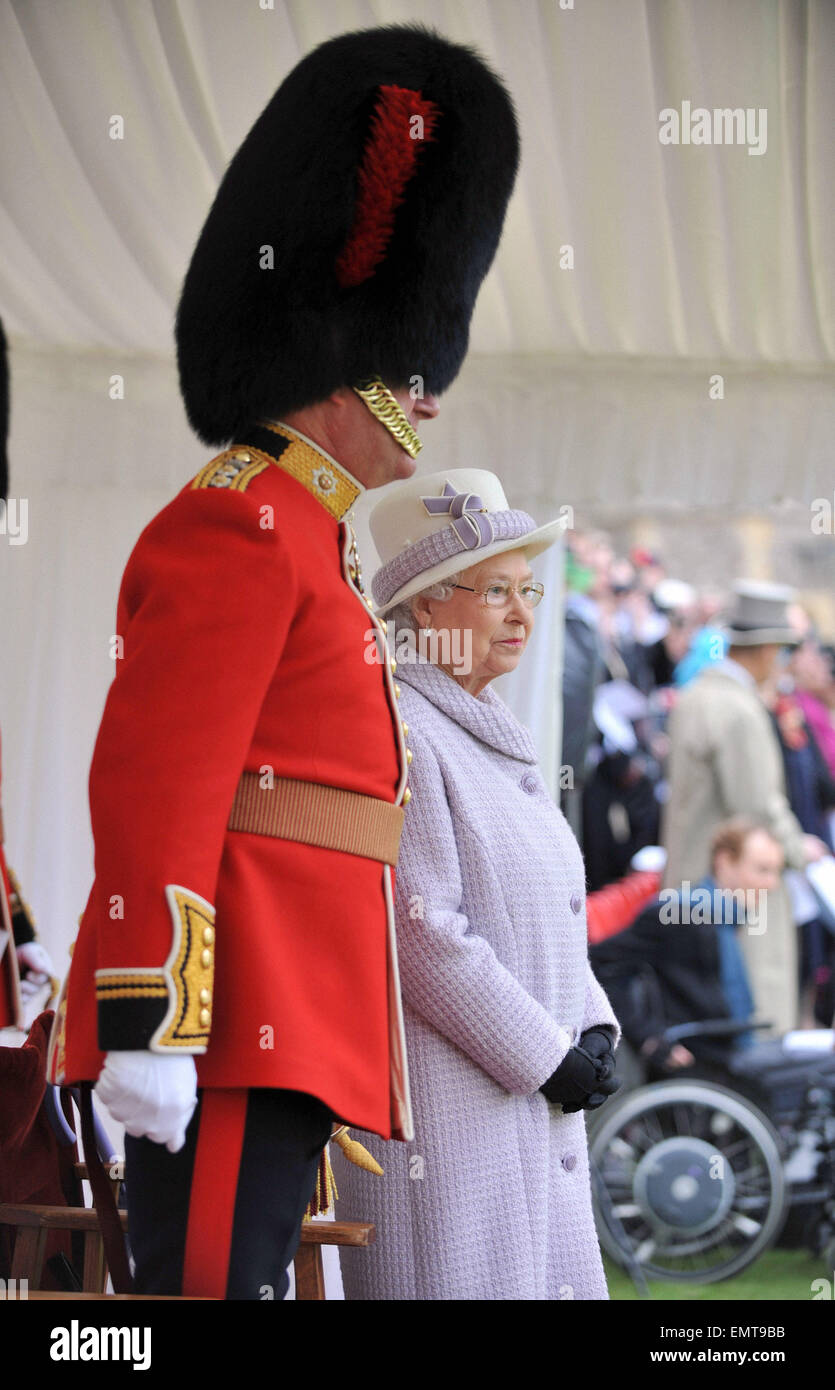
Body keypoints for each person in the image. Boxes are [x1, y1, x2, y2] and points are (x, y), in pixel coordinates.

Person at [48, 25, 520, 1299]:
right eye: (411, 367)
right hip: (231, 1007)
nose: (426, 398)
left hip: (297, 1006)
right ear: (337, 362)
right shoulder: (241, 518)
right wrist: (153, 1015)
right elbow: (158, 777)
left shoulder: (307, 536)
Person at [332, 469, 622, 1300]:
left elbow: (548, 916)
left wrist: (590, 1025)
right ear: (424, 605)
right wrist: (546, 1053)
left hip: (515, 1105)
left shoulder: (482, 732)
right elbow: (423, 932)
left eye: (528, 589)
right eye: (496, 591)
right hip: (448, 1122)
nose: (524, 613)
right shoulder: (400, 732)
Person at [663, 580, 828, 1038]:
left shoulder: (697, 695)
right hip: (735, 888)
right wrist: (799, 849)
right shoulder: (738, 709)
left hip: (694, 880)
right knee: (752, 1015)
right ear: (766, 648)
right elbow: (758, 809)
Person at [591, 818, 784, 1080]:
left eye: (775, 872)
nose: (771, 884)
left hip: (731, 1048)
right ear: (725, 861)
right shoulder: (682, 912)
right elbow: (602, 965)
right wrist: (650, 1037)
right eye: (762, 870)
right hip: (709, 1060)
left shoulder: (722, 917)